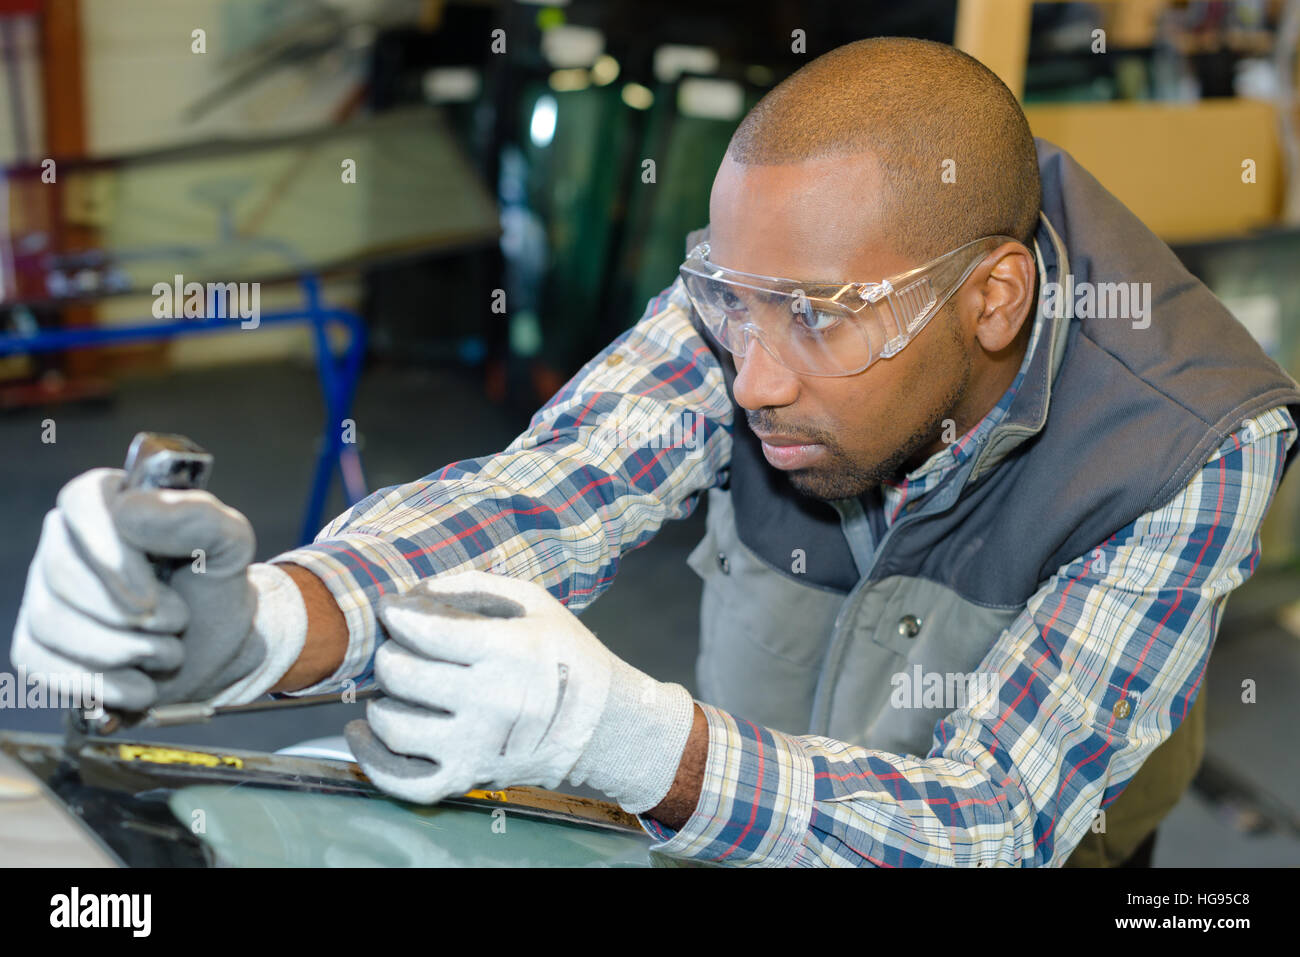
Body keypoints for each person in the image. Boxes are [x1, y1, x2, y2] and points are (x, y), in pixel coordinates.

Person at [12, 37, 1300, 867]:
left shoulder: (1191, 443)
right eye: (735, 305)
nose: (755, 376)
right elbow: (539, 498)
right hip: (754, 804)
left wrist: (638, 746)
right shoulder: (768, 287)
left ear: (994, 302)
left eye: (816, 321)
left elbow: (1000, 819)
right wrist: (265, 627)